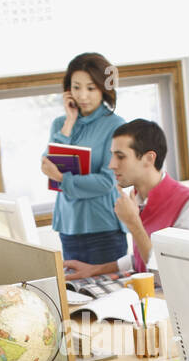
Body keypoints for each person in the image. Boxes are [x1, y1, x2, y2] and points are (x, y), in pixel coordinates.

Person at [63, 118, 189, 279]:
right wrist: (95, 270)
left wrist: (133, 223)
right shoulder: (137, 199)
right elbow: (140, 257)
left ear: (149, 159)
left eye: (120, 156)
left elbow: (171, 274)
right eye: (112, 155)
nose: (111, 164)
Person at [41, 52, 126, 265]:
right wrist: (69, 123)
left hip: (104, 229)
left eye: (91, 88)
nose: (82, 96)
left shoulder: (115, 125)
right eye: (76, 87)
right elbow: (47, 163)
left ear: (103, 89)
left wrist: (62, 178)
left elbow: (107, 181)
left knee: (111, 295)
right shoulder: (60, 123)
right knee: (76, 295)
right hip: (68, 228)